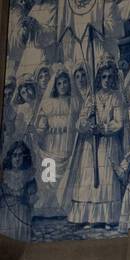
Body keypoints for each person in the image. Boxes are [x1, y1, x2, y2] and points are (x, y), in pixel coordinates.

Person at [67, 62, 125, 229]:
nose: (106, 80)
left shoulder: (117, 97)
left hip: (108, 142)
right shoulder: (92, 97)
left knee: (106, 177)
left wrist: (103, 128)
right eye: (103, 77)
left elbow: (119, 122)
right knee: (88, 178)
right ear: (99, 78)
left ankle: (108, 217)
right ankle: (88, 217)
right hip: (91, 144)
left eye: (110, 77)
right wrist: (88, 124)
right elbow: (80, 122)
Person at [31, 67, 80, 217]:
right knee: (49, 176)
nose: (63, 86)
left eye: (65, 83)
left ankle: (63, 208)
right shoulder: (48, 103)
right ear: (55, 85)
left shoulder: (75, 101)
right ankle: (47, 208)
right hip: (50, 143)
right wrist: (38, 131)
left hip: (67, 143)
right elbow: (42, 124)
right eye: (59, 83)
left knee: (66, 175)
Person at [0, 141, 37, 241]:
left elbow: (32, 199)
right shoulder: (3, 176)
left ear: (24, 157)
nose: (17, 159)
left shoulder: (29, 176)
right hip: (5, 214)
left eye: (20, 155)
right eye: (14, 155)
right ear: (10, 157)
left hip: (22, 214)